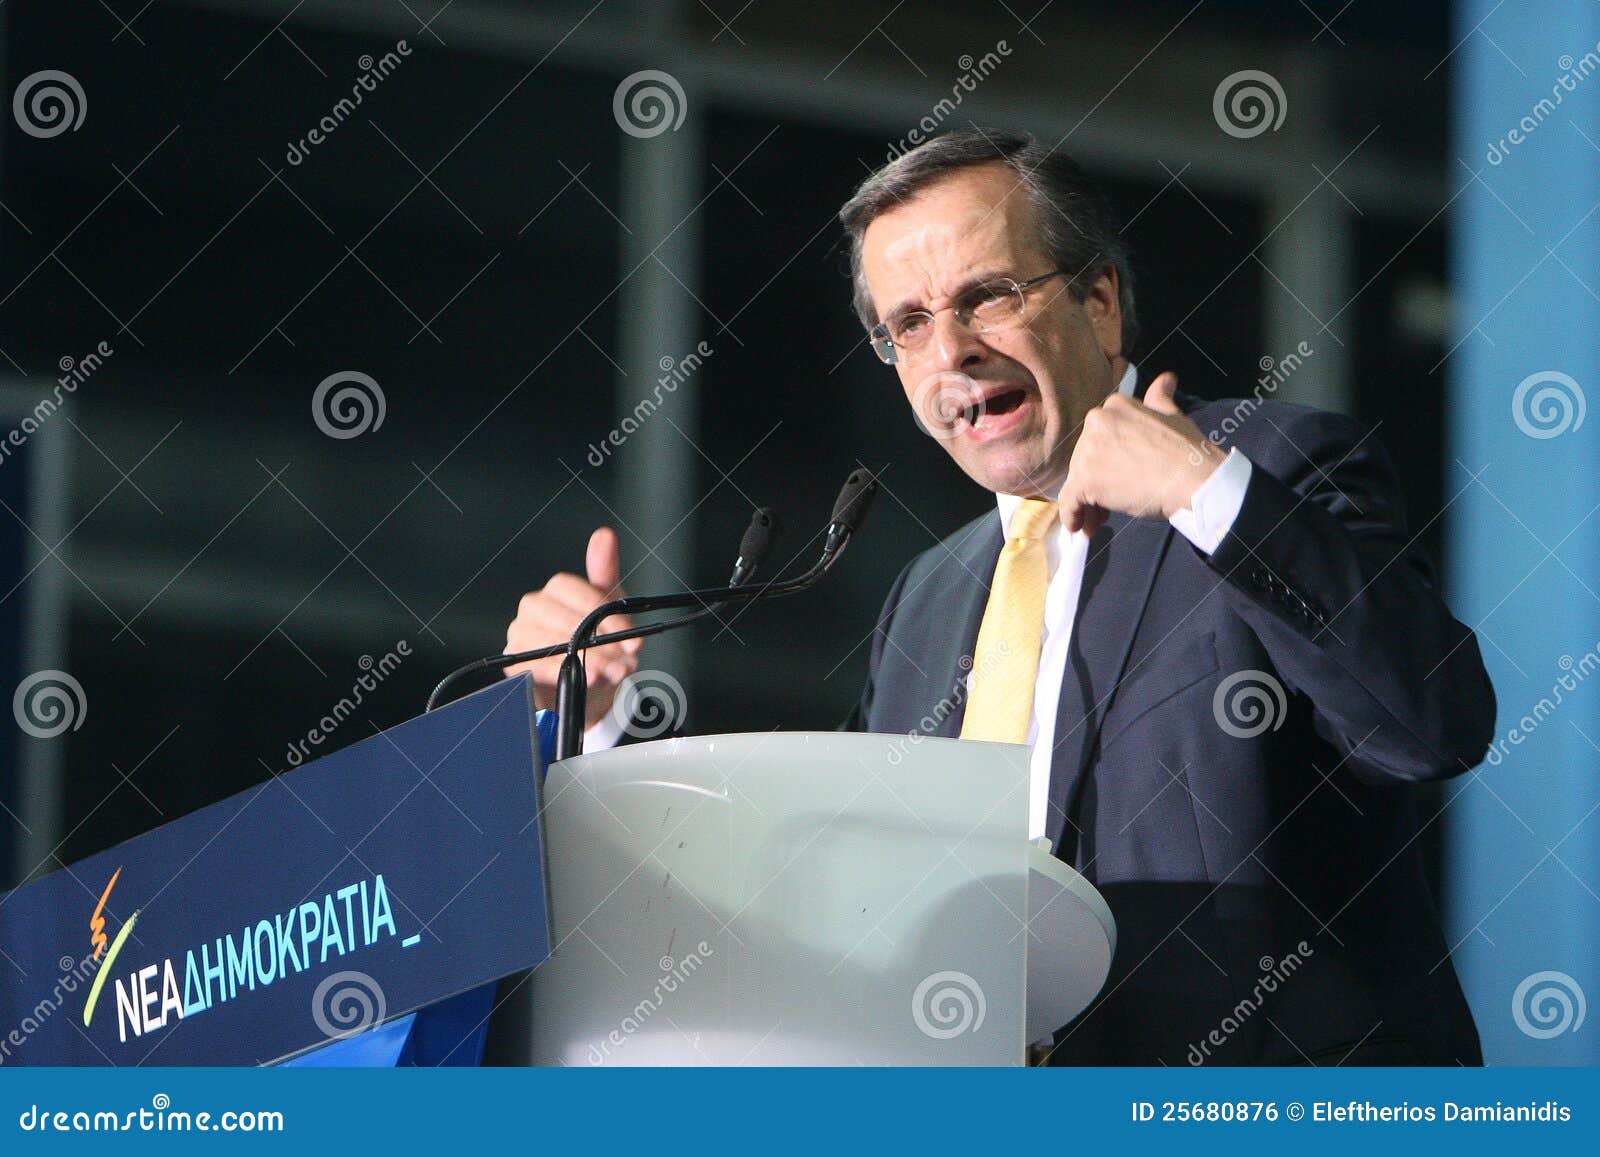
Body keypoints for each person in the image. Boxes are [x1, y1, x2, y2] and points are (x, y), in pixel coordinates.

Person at [502, 130, 1496, 1065]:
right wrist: (593, 731)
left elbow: (1430, 719)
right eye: (908, 323)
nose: (952, 352)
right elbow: (825, 882)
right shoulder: (926, 600)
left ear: (1099, 304)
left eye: (987, 295)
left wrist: (1207, 492)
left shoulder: (1267, 469)